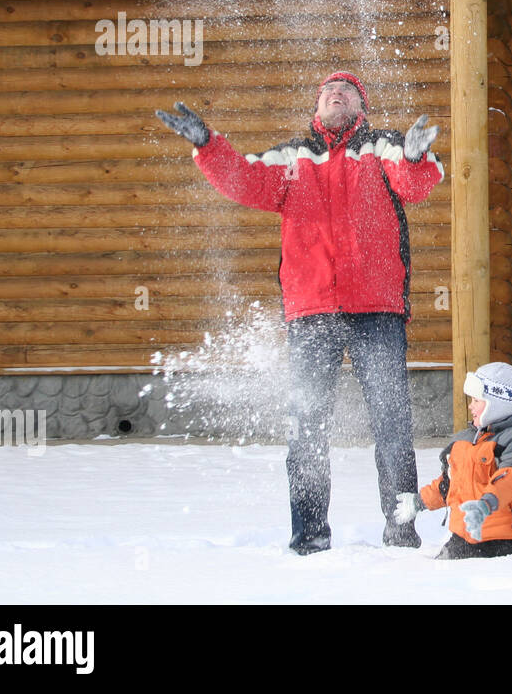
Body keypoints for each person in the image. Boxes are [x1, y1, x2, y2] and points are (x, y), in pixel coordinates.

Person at [156, 71, 443, 555]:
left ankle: (401, 532)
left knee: (392, 426)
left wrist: (414, 155)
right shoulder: (293, 158)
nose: (337, 94)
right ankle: (309, 537)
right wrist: (207, 145)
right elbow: (244, 180)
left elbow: (416, 184)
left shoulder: (384, 148)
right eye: (329, 90)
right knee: (307, 430)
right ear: (318, 106)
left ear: (361, 105)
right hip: (311, 312)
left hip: (378, 310)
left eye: (347, 91)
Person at [393, 362, 512, 560]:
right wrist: (418, 502)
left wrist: (485, 505)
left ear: (497, 404)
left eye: (476, 400)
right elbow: (448, 485)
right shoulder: (463, 441)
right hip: (465, 540)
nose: (470, 405)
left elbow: (511, 478)